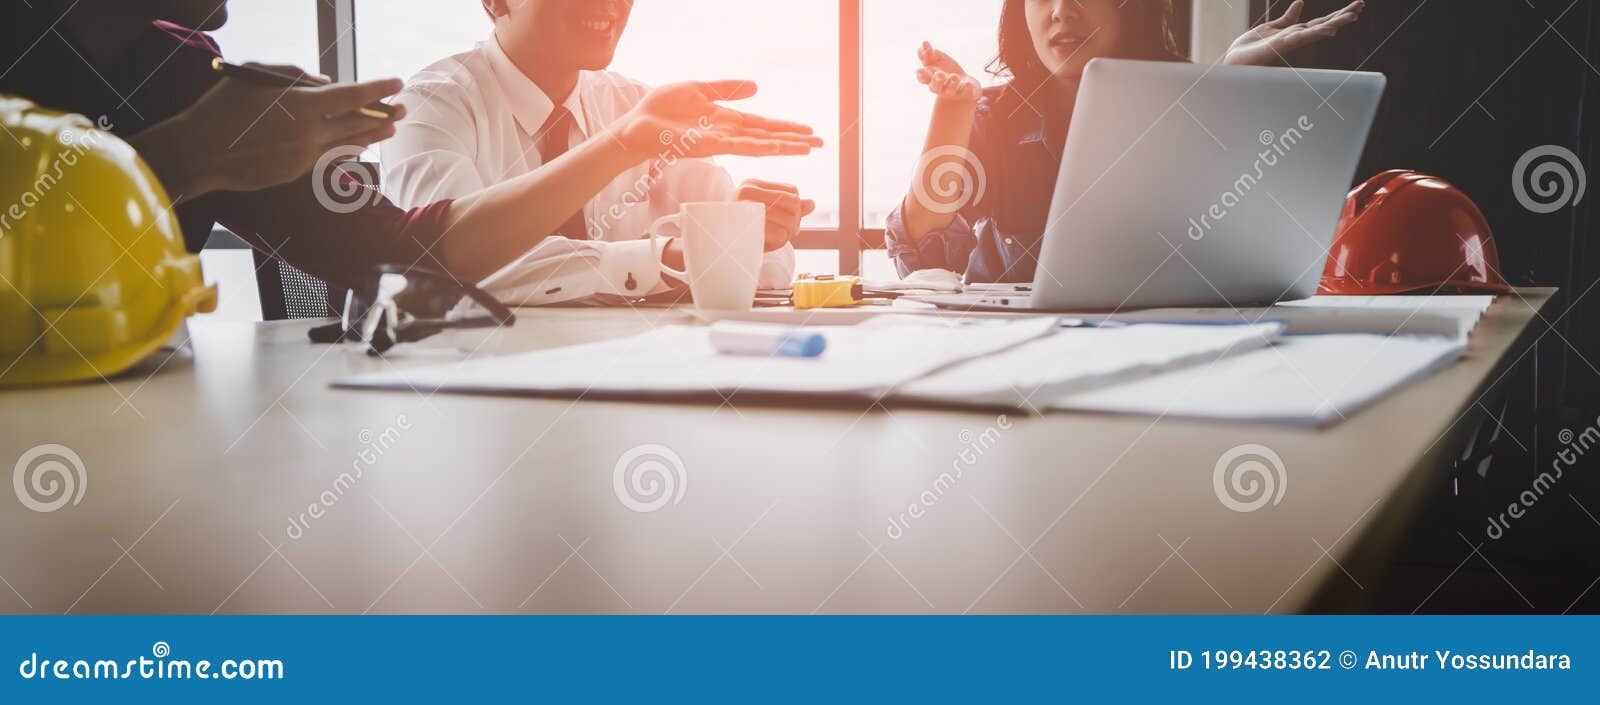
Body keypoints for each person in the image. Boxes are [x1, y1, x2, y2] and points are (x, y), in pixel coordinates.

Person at [0, 0, 819, 298]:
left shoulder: (190, 78)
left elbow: (406, 252)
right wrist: (186, 160)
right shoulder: (441, 98)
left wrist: (624, 144)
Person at [890, 0, 1365, 283]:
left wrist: (1223, 89)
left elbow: (1250, 253)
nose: (1060, 12)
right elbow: (920, 241)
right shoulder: (998, 115)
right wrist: (954, 109)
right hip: (1011, 362)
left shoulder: (1190, 98)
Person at [381, 0, 814, 304]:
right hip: (470, 393)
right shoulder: (429, 106)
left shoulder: (640, 108)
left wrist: (751, 224)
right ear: (496, 1)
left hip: (632, 386)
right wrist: (669, 259)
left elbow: (768, 263)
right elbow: (443, 258)